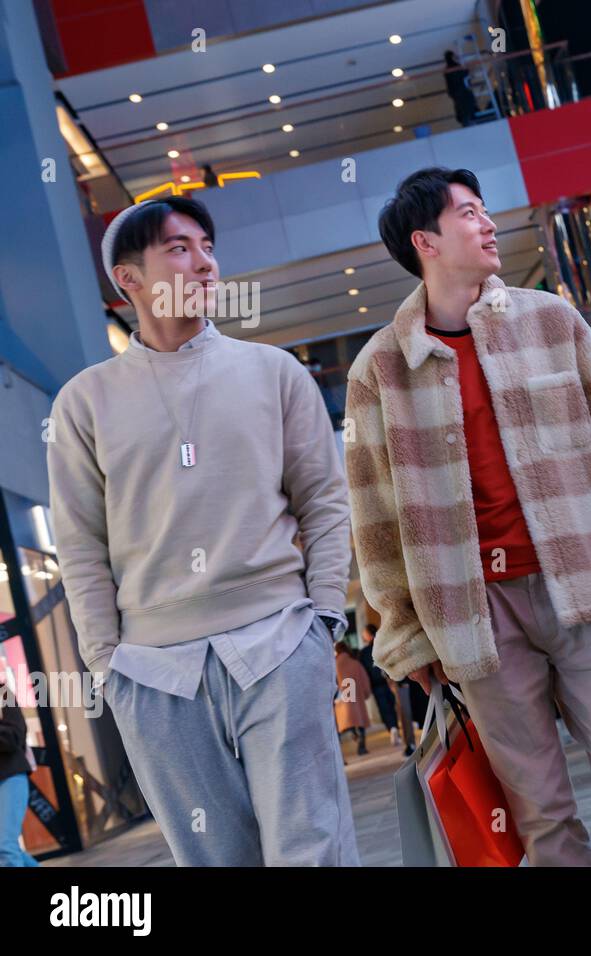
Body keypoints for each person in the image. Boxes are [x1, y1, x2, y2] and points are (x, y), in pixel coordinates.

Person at [346, 166, 591, 866]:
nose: (488, 223)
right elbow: (373, 517)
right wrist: (406, 636)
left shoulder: (550, 321)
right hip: (475, 615)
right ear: (426, 242)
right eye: (468, 214)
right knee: (542, 814)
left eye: (485, 210)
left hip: (584, 589)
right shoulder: (380, 370)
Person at [47, 196, 358, 866]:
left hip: (278, 641)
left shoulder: (273, 372)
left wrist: (323, 618)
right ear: (129, 279)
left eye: (207, 245)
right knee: (214, 858)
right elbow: (79, 545)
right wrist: (107, 665)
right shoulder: (85, 402)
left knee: (314, 847)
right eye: (179, 248)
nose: (205, 262)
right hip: (154, 671)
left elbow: (325, 502)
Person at [0, 674, 39, 867]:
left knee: (5, 847)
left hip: (11, 777)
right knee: (6, 847)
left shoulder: (4, 694)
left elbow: (15, 737)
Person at [359, 624, 401, 747]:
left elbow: (364, 671)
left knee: (383, 708)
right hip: (390, 680)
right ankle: (395, 727)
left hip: (376, 685)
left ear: (368, 635)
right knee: (392, 704)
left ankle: (392, 728)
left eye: (364, 634)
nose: (363, 637)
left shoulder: (364, 652)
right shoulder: (384, 645)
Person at [334, 642, 374, 756]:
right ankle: (362, 747)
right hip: (356, 696)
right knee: (359, 720)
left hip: (343, 698)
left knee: (346, 721)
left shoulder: (334, 664)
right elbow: (364, 679)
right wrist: (366, 693)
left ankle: (351, 736)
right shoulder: (355, 663)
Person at [444, 51, 478, 127]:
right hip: (463, 92)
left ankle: (468, 122)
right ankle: (471, 122)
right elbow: (465, 73)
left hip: (457, 94)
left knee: (463, 111)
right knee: (467, 110)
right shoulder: (456, 67)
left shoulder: (447, 70)